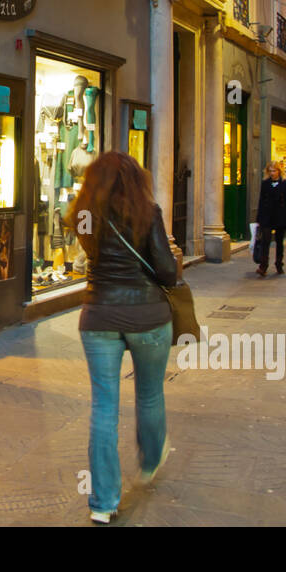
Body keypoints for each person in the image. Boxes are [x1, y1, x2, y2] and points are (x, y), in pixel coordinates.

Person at [65, 151, 177, 525]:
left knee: (103, 408)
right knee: (149, 393)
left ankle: (102, 502)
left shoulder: (84, 214)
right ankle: (148, 462)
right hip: (148, 317)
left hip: (98, 315)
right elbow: (167, 271)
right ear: (134, 179)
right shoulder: (149, 211)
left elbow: (89, 255)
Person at [254, 162, 286, 276]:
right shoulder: (265, 184)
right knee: (265, 241)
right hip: (267, 216)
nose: (272, 173)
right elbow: (261, 201)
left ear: (279, 171)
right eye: (270, 171)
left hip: (280, 216)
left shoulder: (285, 184)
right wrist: (259, 218)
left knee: (279, 242)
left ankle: (279, 264)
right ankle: (263, 266)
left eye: (274, 171)